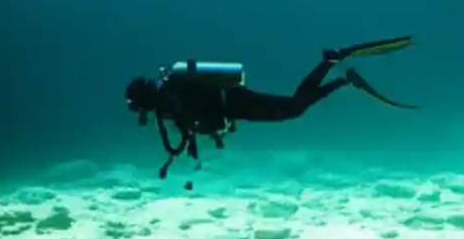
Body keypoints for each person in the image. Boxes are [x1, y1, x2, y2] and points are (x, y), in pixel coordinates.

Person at [124, 36, 420, 179]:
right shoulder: (170, 96)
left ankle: (334, 64)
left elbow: (199, 121)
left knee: (293, 108)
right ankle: (342, 79)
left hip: (236, 103)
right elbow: (195, 123)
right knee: (293, 108)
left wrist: (206, 134)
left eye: (136, 107)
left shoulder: (170, 99)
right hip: (235, 103)